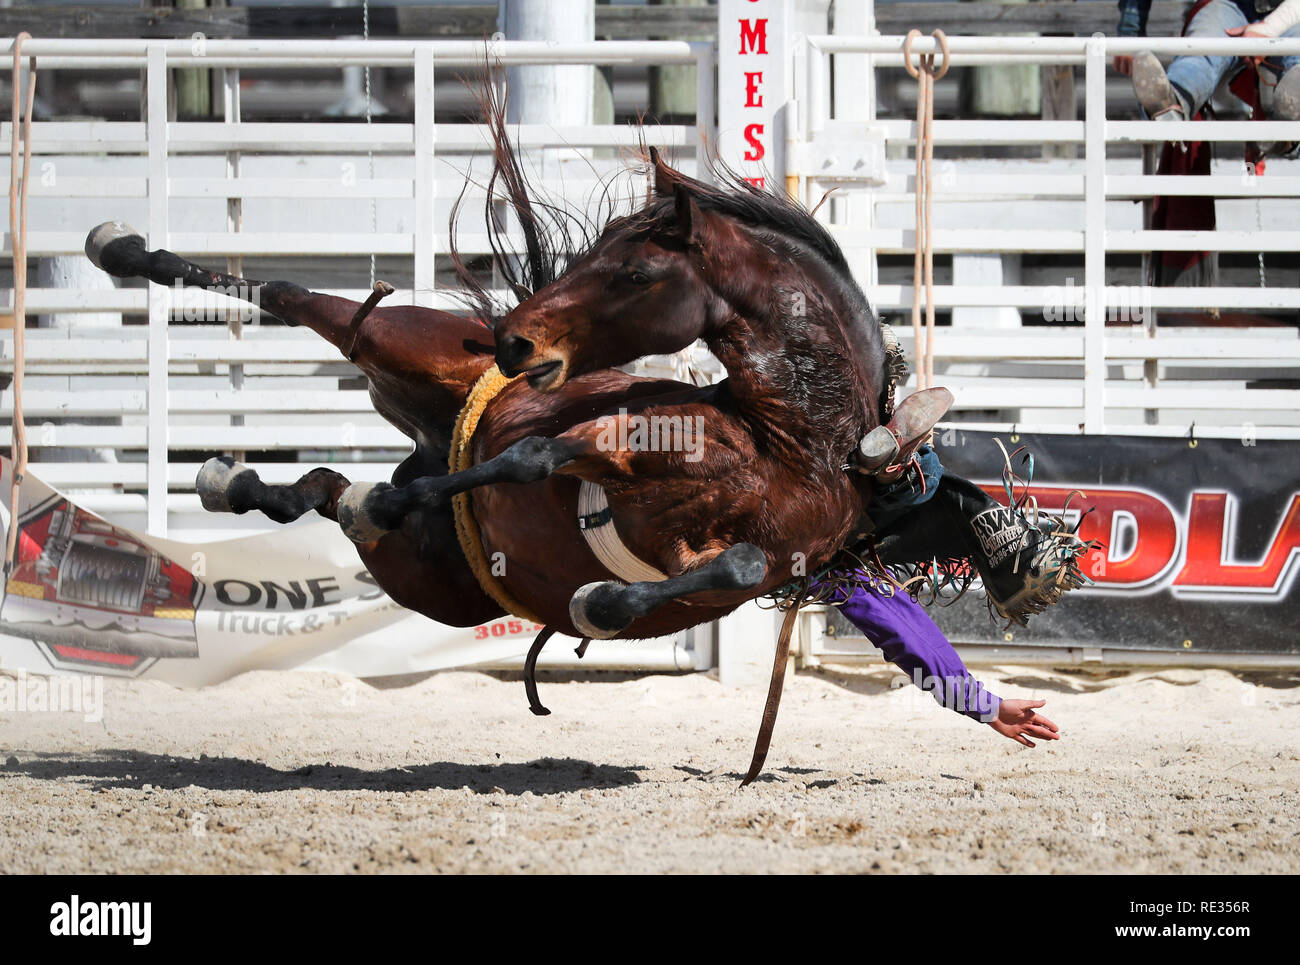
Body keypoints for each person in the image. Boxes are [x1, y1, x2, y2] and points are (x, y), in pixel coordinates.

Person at [1116, 0, 1300, 121]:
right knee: (1202, 47)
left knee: (1297, 58)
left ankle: (1291, 125)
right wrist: (1130, 35)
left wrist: (1268, 29)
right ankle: (1169, 104)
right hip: (1227, 4)